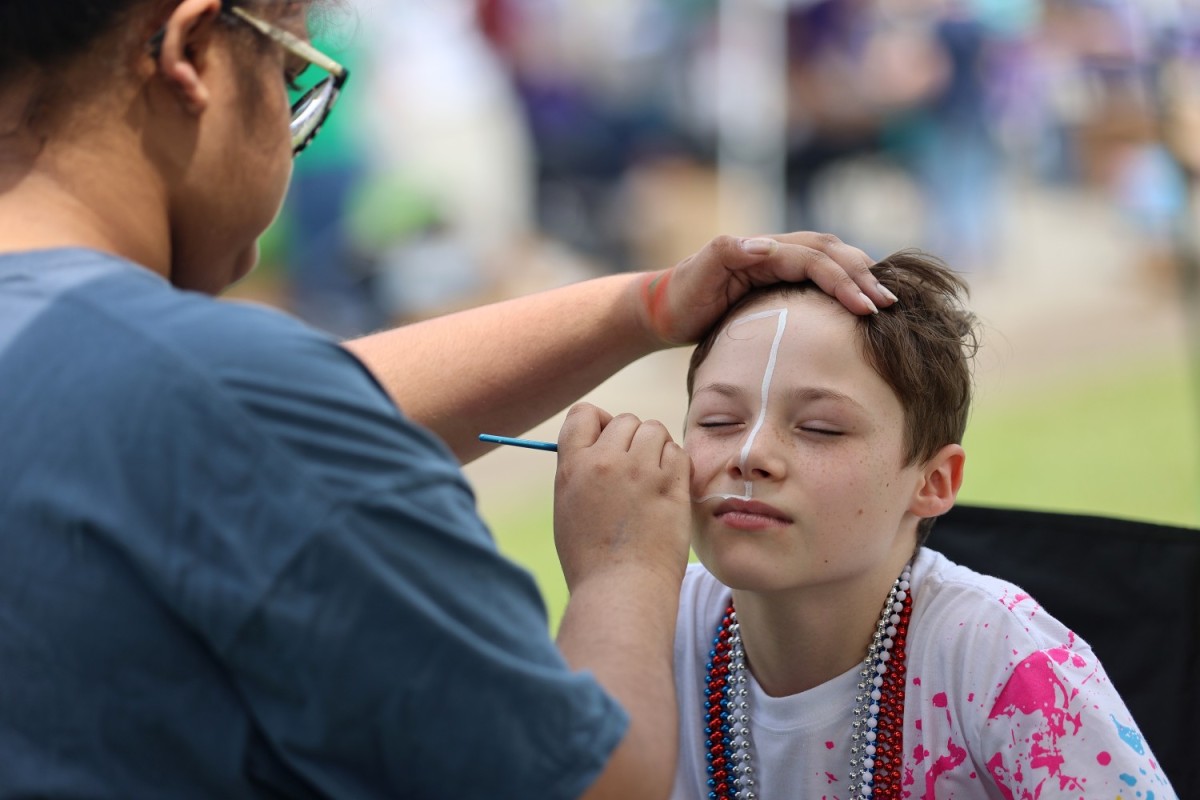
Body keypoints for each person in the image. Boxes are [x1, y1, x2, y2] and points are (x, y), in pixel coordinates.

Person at [0, 1, 900, 798]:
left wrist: (645, 307)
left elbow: (296, 408)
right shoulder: (227, 406)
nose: (290, 128)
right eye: (292, 80)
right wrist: (624, 566)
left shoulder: (97, 366)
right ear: (194, 51)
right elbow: (595, 783)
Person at [668, 251, 1177, 799]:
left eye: (820, 428)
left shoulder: (1001, 658)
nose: (749, 455)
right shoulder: (652, 620)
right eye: (718, 421)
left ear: (933, 481)